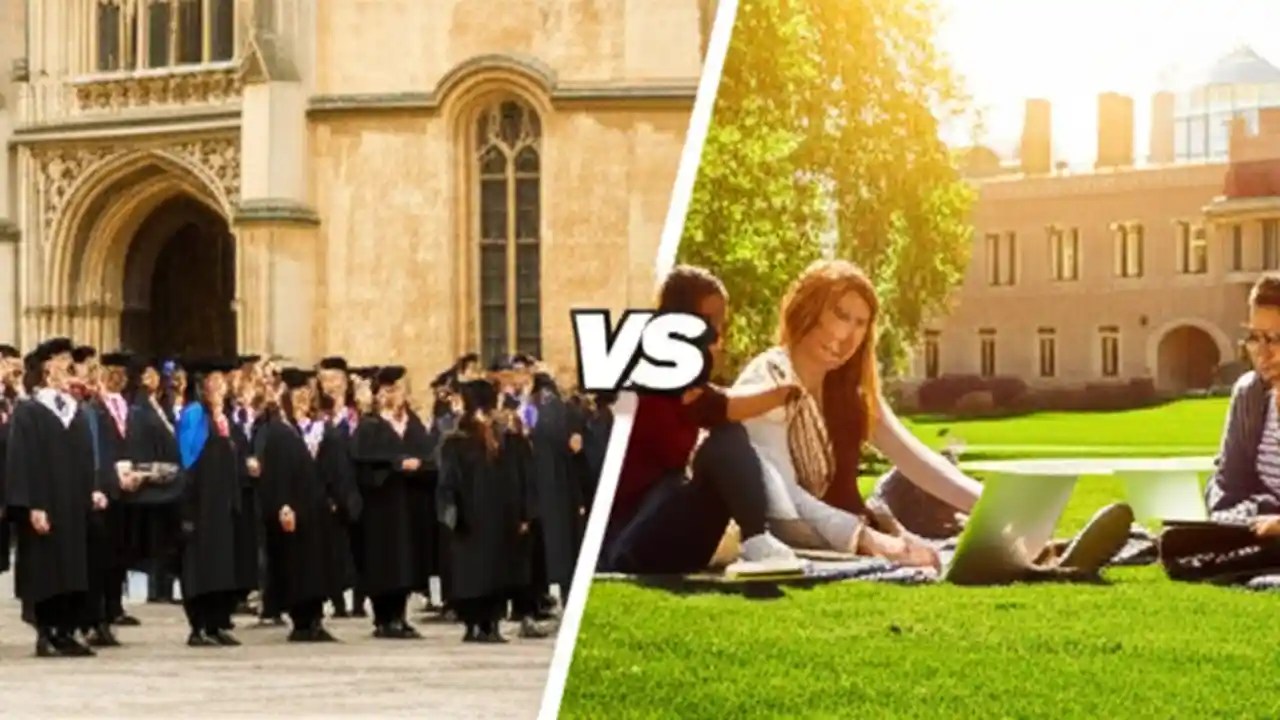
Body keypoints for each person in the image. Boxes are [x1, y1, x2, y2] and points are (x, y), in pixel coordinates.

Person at [601, 265, 802, 574]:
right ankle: (757, 539)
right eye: (710, 322)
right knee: (726, 437)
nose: (718, 334)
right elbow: (721, 407)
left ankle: (757, 538)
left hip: (655, 529)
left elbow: (720, 403)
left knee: (724, 439)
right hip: (630, 539)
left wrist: (783, 393)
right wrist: (782, 393)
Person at [4, 338, 99, 657]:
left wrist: (93, 489)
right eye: (60, 361)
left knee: (73, 567)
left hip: (73, 505)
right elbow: (21, 461)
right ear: (46, 368)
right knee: (45, 569)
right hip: (45, 504)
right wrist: (32, 505)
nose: (67, 367)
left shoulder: (77, 412)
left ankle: (67, 630)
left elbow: (88, 458)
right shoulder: (30, 411)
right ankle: (45, 632)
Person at [349, 366, 435, 640]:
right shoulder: (370, 427)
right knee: (384, 563)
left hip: (410, 505)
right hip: (381, 508)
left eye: (397, 390)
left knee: (408, 561)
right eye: (387, 391)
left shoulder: (414, 424)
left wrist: (419, 466)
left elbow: (430, 456)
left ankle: (400, 615)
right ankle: (383, 618)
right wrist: (395, 465)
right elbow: (363, 465)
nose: (393, 396)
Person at [256, 368, 340, 643]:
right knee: (296, 566)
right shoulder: (278, 432)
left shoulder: (315, 429)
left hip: (313, 508)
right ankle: (301, 621)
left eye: (307, 395)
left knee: (316, 565)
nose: (303, 401)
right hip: (292, 508)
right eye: (298, 396)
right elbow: (275, 473)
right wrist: (283, 505)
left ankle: (315, 618)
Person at [175, 359, 246, 647]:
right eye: (214, 382)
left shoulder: (225, 417)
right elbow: (188, 457)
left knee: (223, 566)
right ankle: (199, 626)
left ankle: (217, 622)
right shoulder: (195, 414)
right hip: (200, 503)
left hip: (224, 503)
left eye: (222, 382)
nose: (220, 388)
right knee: (200, 566)